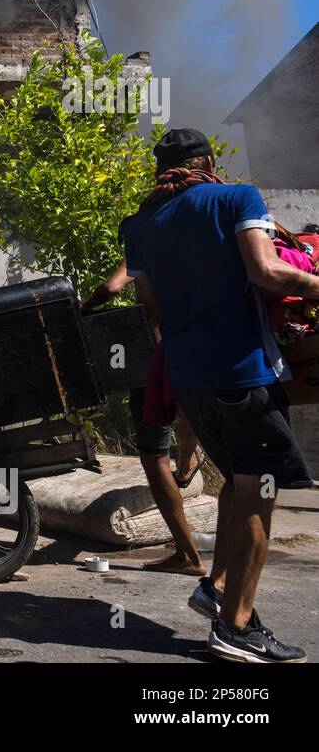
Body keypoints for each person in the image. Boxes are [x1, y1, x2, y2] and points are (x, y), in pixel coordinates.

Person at [122, 127, 317, 663]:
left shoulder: (139, 225)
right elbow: (267, 271)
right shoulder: (236, 196)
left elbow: (152, 309)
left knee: (239, 480)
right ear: (207, 161)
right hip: (242, 373)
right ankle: (236, 627)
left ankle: (215, 589)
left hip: (188, 378)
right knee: (261, 491)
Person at [83, 259, 207, 575]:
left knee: (154, 458)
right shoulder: (194, 244)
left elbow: (111, 287)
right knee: (189, 410)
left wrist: (84, 309)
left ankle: (188, 555)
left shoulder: (146, 244)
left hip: (157, 358)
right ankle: (189, 458)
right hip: (198, 350)